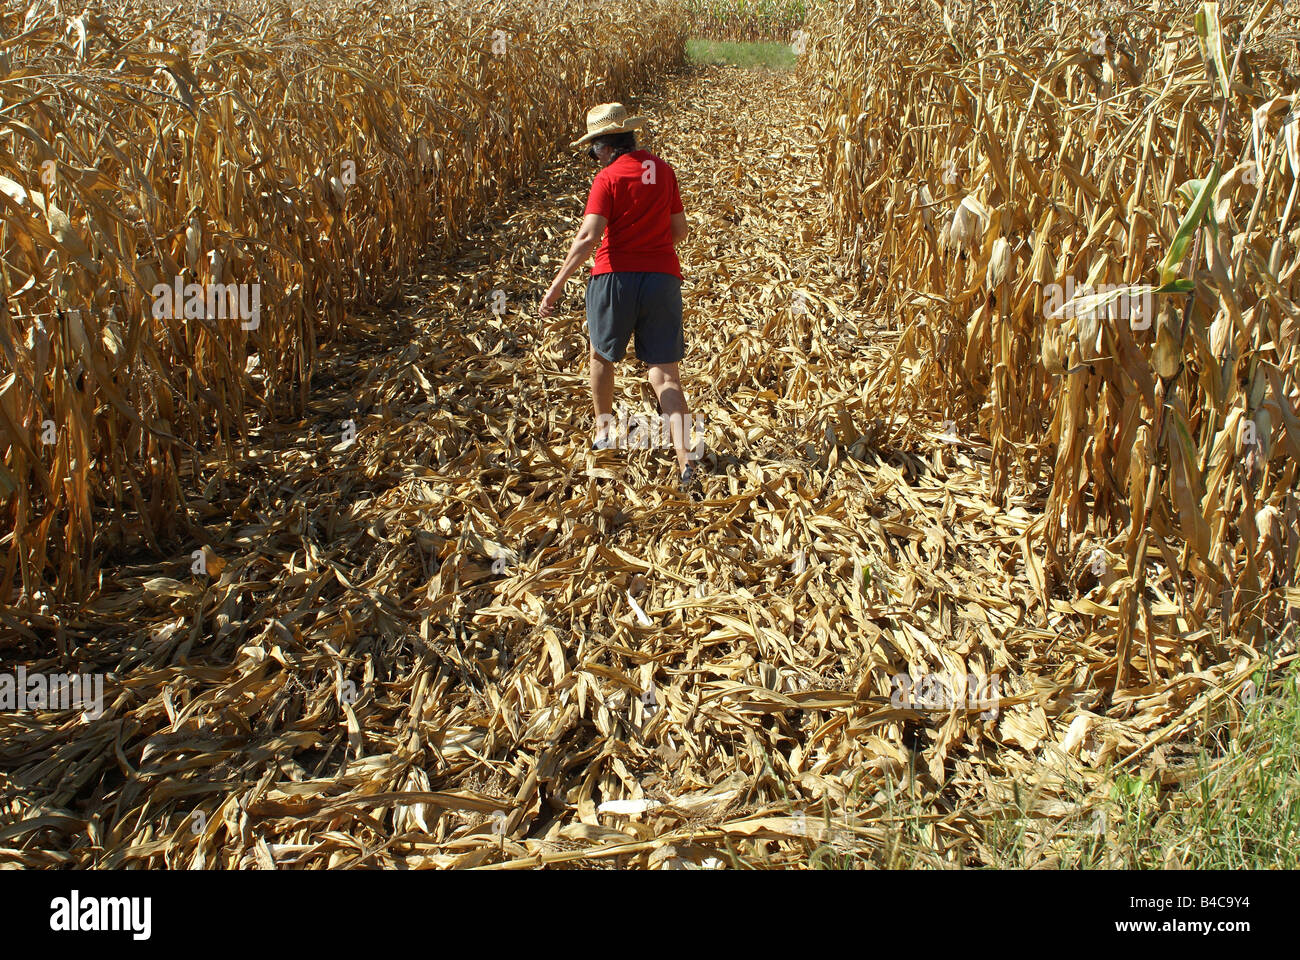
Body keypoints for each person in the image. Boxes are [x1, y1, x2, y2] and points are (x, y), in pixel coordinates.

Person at [538, 102, 697, 488]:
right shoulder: (663, 170)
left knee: (601, 355)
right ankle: (687, 461)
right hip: (662, 279)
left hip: (614, 278)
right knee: (665, 375)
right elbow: (680, 231)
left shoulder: (607, 178)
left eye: (593, 149)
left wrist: (557, 284)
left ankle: (604, 431)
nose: (593, 157)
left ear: (607, 146)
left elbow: (589, 236)